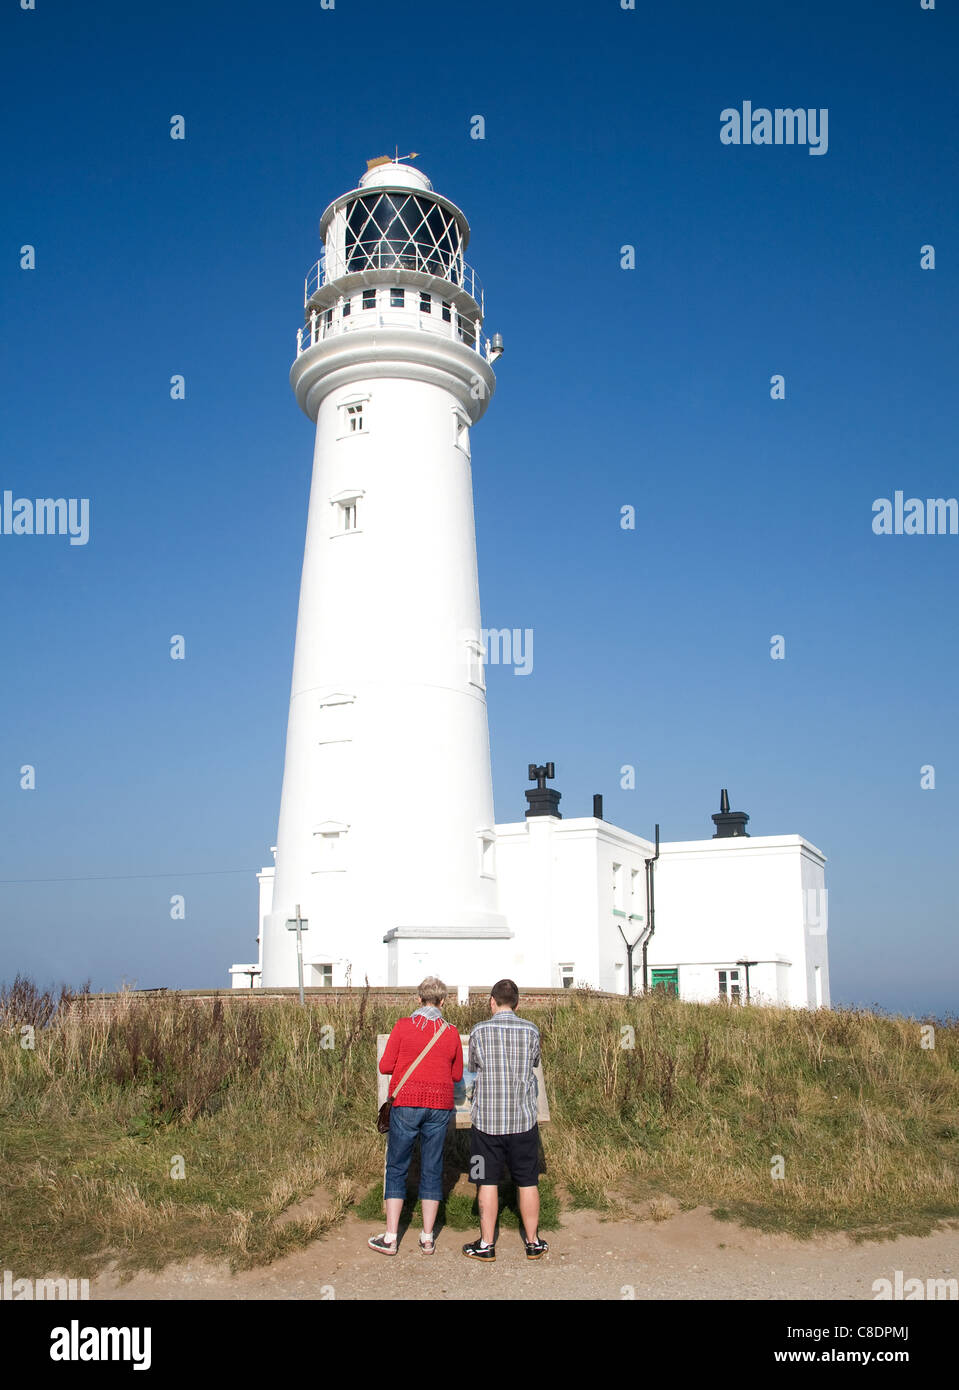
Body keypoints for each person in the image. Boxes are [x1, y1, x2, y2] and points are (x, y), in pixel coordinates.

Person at [369, 976, 462, 1255]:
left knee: (397, 1166)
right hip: (440, 1105)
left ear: (418, 999)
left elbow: (385, 1066)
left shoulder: (403, 1026)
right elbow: (457, 1074)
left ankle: (390, 1237)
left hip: (406, 1103)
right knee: (432, 1168)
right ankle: (427, 1237)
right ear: (443, 1001)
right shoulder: (451, 1032)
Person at [462, 978, 548, 1261]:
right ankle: (533, 1242)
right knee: (527, 1180)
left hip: (486, 1121)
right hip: (523, 1120)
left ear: (491, 1001)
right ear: (518, 1003)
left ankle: (487, 1244)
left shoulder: (478, 1031)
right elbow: (534, 1063)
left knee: (485, 1180)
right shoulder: (531, 1030)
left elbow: (472, 1068)